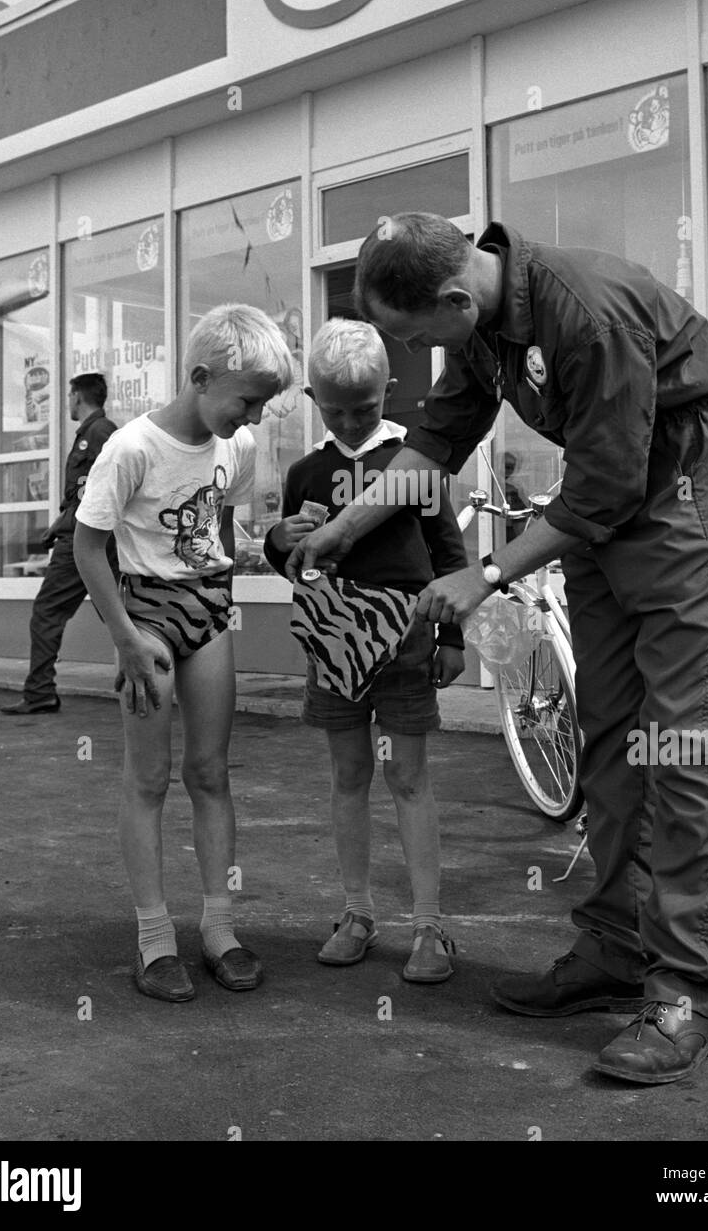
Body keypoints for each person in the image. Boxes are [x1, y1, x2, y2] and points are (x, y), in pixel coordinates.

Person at [289, 213, 708, 1084]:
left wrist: (486, 575)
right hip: (602, 502)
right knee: (611, 733)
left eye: (411, 333)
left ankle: (685, 992)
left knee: (686, 743)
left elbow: (609, 484)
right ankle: (617, 952)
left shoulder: (588, 313)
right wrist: (347, 526)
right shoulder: (482, 325)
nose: (410, 353)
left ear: (455, 297)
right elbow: (437, 442)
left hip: (684, 487)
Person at [74, 305, 295, 1003]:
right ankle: (152, 937)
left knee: (210, 771)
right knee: (149, 778)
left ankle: (219, 928)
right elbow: (87, 546)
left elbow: (218, 530)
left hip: (206, 609)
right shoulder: (131, 448)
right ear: (201, 378)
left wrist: (248, 569)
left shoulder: (238, 448)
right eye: (248, 401)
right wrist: (126, 639)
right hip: (145, 616)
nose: (255, 416)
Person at [265, 318, 467, 982]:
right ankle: (356, 912)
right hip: (332, 642)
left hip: (406, 641)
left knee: (408, 777)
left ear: (389, 389)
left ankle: (430, 924)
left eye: (367, 408)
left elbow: (446, 552)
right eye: (338, 410)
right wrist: (279, 538)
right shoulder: (305, 471)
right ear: (312, 398)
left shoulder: (413, 462)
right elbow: (294, 564)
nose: (352, 422)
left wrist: (453, 636)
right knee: (349, 775)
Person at [1, 374, 118, 715]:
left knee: (50, 613)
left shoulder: (99, 433)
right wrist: (59, 524)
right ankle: (150, 677)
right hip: (82, 535)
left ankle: (39, 693)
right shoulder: (94, 432)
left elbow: (98, 494)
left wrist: (67, 527)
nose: (67, 401)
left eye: (68, 395)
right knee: (118, 612)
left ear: (77, 395)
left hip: (86, 541)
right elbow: (82, 495)